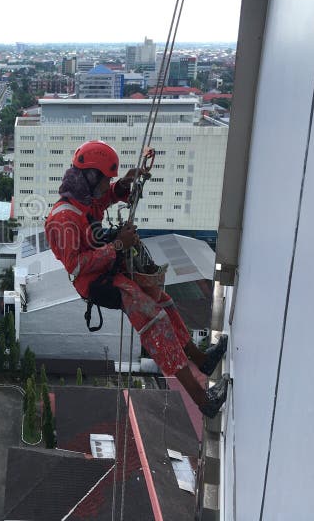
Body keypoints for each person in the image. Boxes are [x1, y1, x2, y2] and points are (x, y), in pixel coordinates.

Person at [45, 140, 229, 418]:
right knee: (156, 322)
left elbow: (101, 202)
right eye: (106, 180)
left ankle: (202, 360)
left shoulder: (81, 201)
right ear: (91, 177)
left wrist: (123, 187)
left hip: (108, 269)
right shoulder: (63, 220)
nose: (108, 186)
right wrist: (117, 245)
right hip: (96, 284)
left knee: (163, 300)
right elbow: (76, 267)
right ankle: (204, 401)